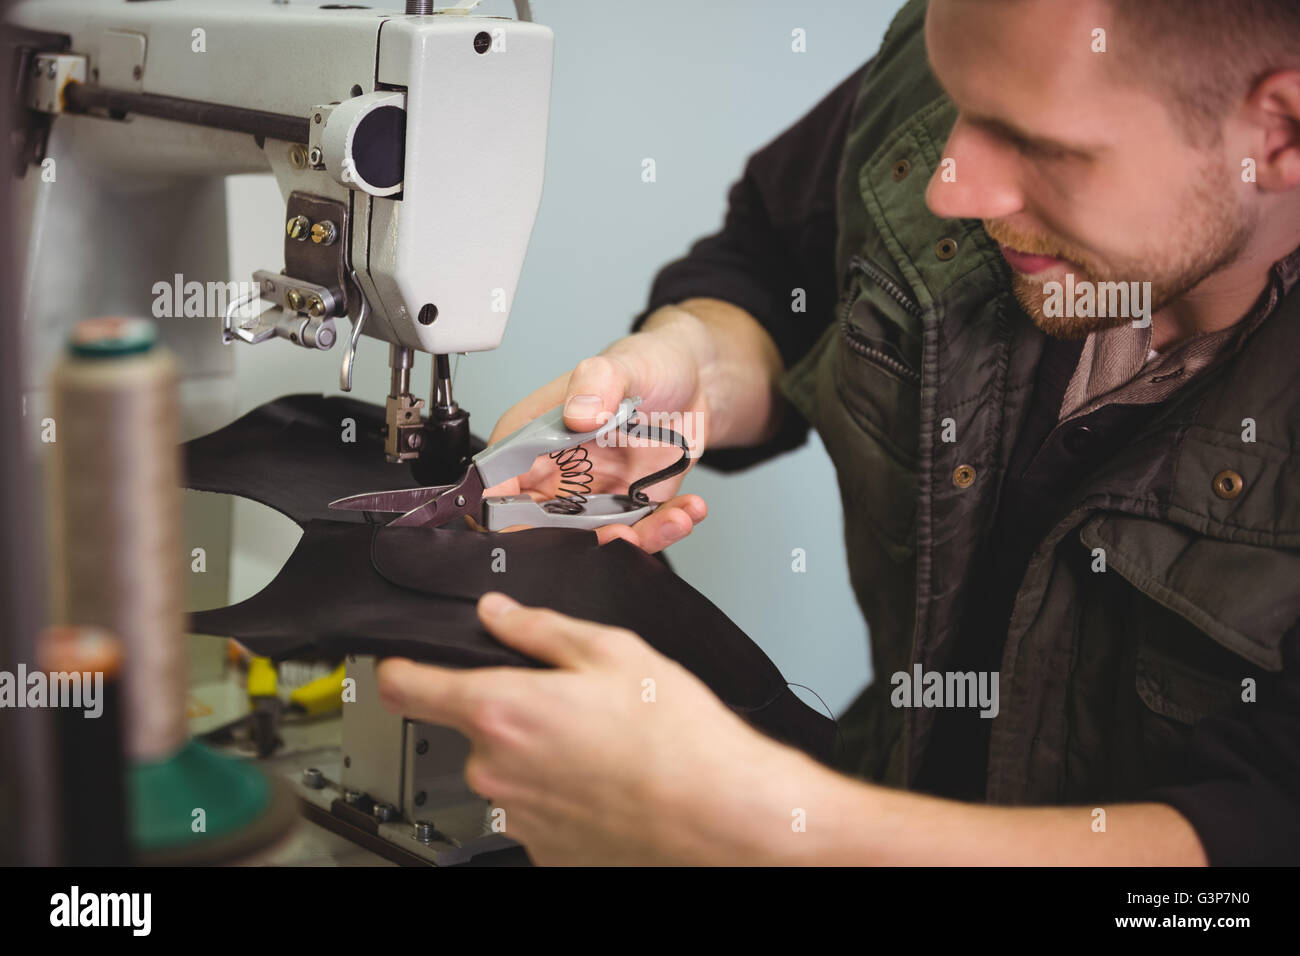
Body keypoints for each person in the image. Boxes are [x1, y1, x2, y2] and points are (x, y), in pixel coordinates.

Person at [377, 0, 1300, 865]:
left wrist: (772, 828)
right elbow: (770, 266)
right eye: (957, 110)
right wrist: (695, 368)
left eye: (1036, 144)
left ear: (1281, 131)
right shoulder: (983, 51)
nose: (952, 188)